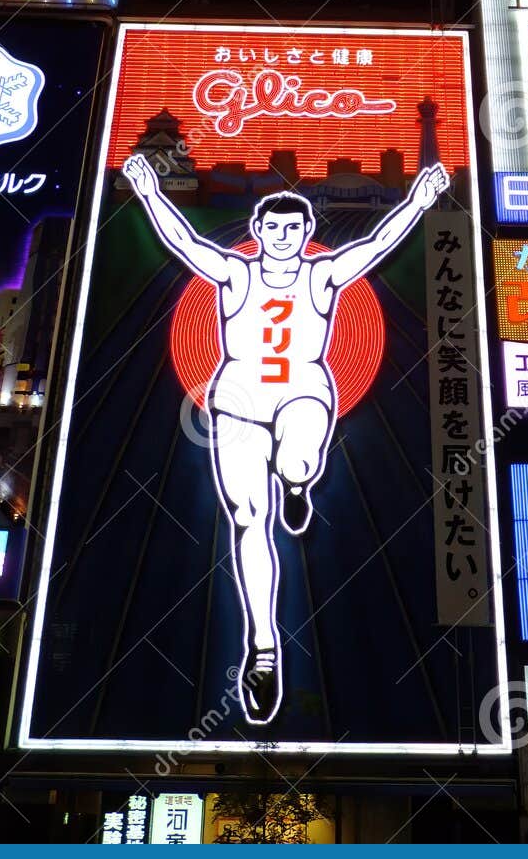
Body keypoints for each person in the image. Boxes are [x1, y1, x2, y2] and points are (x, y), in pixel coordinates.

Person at [121, 152, 449, 725]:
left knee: (297, 461)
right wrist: (150, 193)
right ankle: (264, 649)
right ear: (258, 231)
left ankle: (297, 481)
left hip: (303, 390)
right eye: (272, 226)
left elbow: (373, 246)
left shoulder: (322, 275)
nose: (282, 234)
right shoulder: (234, 273)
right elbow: (184, 243)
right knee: (248, 519)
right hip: (239, 401)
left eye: (293, 227)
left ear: (305, 233)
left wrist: (418, 202)